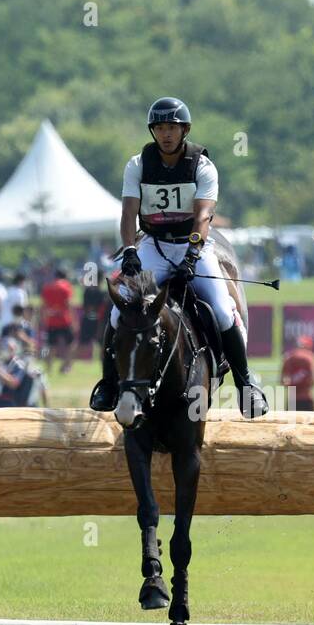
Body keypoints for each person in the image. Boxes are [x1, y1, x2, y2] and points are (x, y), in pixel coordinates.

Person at [90, 97, 267, 418]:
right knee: (121, 311)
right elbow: (129, 211)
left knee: (223, 311)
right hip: (153, 247)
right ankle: (109, 384)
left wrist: (193, 252)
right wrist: (130, 250)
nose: (165, 134)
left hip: (194, 246)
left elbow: (203, 216)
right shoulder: (137, 165)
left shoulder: (202, 166)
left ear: (184, 130)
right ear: (153, 131)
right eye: (159, 128)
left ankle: (246, 385)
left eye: (171, 127)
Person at [40, 267, 76, 374]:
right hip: (64, 320)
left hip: (51, 321)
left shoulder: (47, 287)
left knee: (51, 346)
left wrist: (43, 319)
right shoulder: (66, 287)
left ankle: (49, 369)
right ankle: (66, 367)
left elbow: (43, 306)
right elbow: (69, 304)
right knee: (70, 345)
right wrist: (74, 321)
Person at [280, 335, 314, 411]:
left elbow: (283, 380)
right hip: (306, 397)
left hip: (292, 398)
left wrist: (293, 384)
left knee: (291, 422)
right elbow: (313, 380)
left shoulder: (288, 357)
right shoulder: (310, 357)